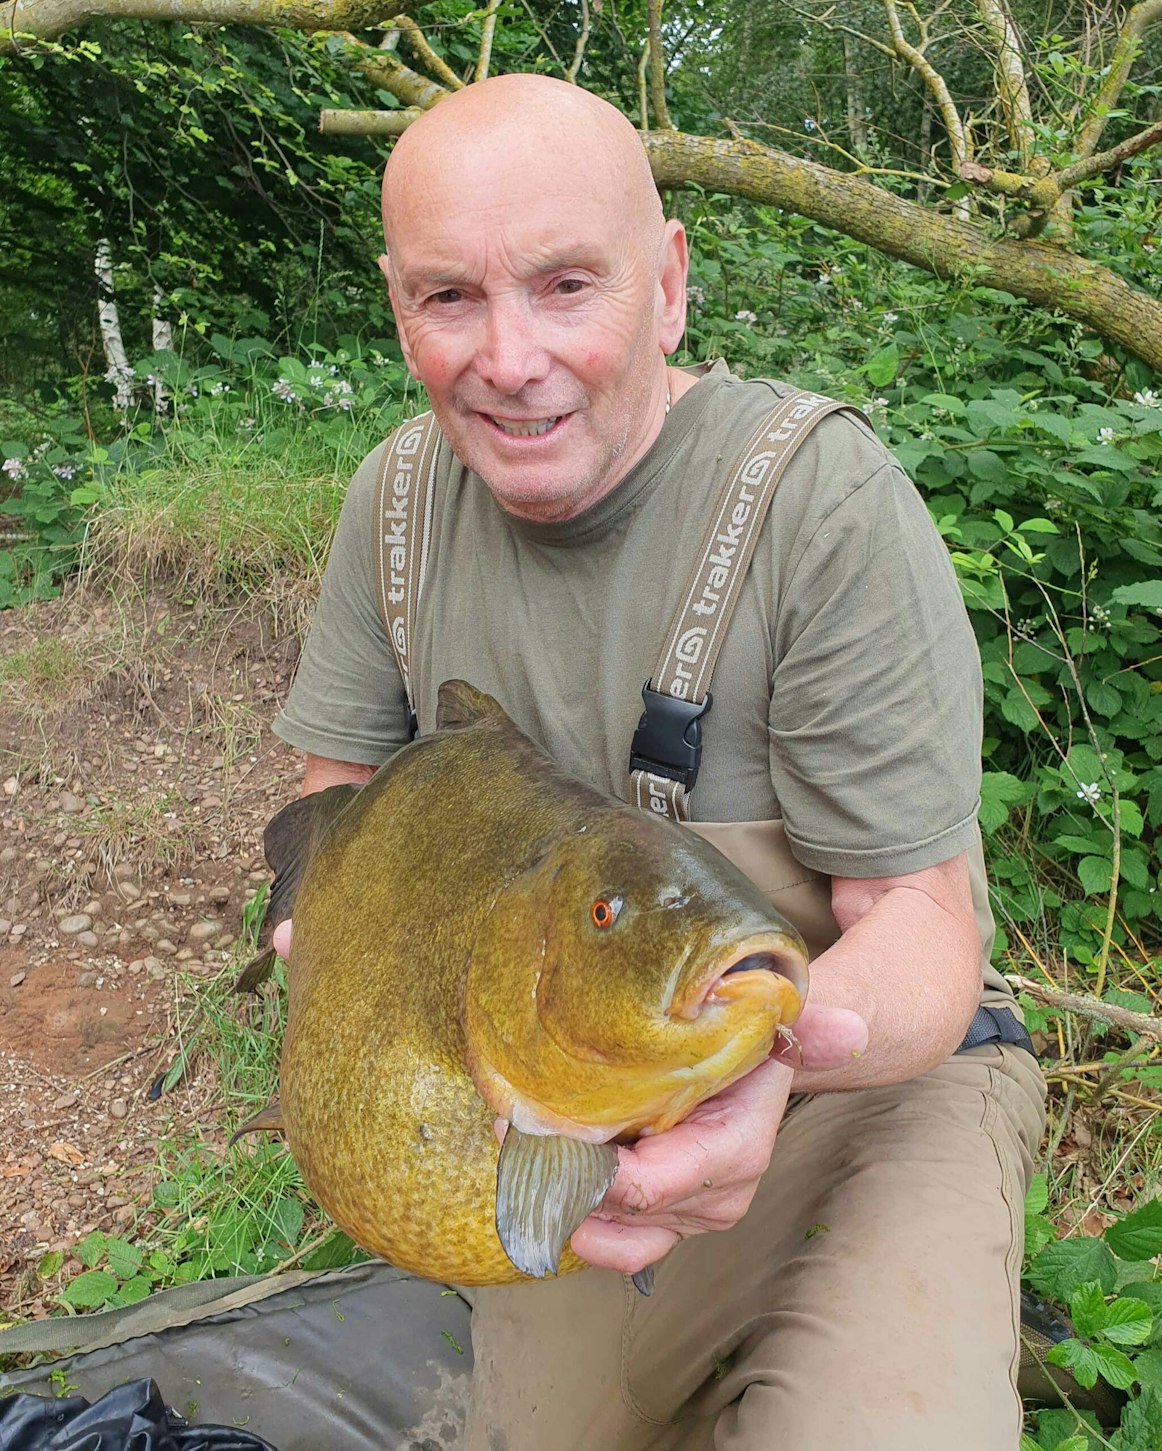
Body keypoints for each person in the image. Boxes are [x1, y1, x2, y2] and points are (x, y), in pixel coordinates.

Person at [271, 73, 1046, 1450]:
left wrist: (767, 1073)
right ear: (397, 305)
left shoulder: (817, 504)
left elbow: (922, 921)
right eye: (449, 298)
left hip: (853, 1093)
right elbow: (336, 804)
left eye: (568, 285)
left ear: (672, 282)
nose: (508, 359)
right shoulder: (394, 503)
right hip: (564, 1089)